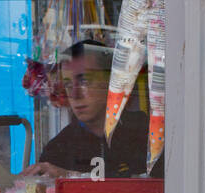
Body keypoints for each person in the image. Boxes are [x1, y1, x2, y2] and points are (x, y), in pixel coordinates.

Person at [20, 41, 163, 180]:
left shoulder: (148, 134)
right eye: (68, 85)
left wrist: (72, 178)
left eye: (84, 82)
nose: (75, 95)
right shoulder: (57, 151)